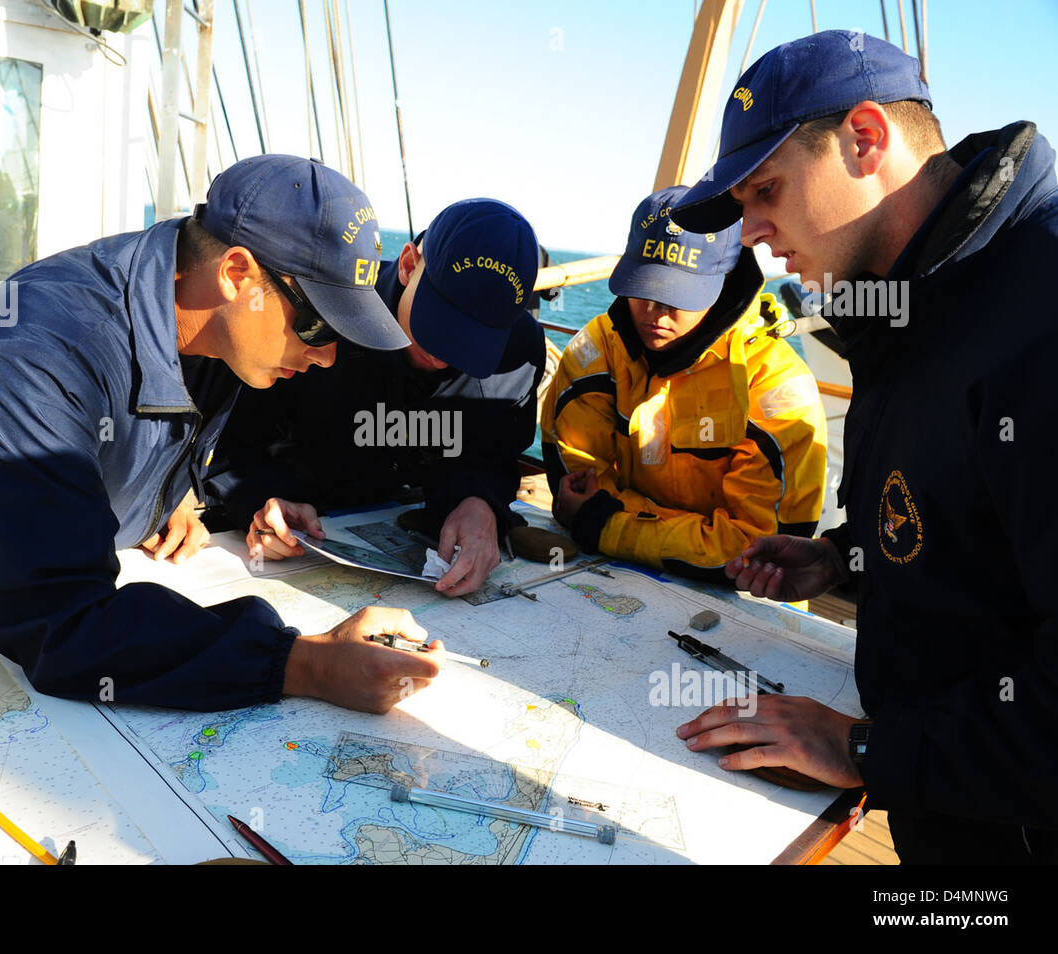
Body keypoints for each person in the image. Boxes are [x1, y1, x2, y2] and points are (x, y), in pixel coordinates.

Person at [0, 155, 444, 714]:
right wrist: (306, 663)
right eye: (316, 324)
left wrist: (169, 495)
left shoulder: (206, 317)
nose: (329, 357)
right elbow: (59, 623)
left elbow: (148, 430)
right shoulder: (33, 357)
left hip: (69, 572)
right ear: (237, 273)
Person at [669, 30, 1058, 863]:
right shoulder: (910, 295)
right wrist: (847, 558)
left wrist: (860, 751)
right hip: (944, 805)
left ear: (866, 138)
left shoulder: (1042, 315)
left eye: (765, 190)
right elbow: (967, 522)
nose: (753, 233)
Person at [201, 198, 543, 597]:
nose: (445, 352)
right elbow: (231, 446)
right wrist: (262, 502)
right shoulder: (321, 313)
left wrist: (481, 503)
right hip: (293, 543)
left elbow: (493, 455)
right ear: (408, 264)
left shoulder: (518, 352)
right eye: (441, 321)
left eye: (473, 341)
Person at [542, 185, 826, 581]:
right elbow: (575, 479)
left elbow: (760, 550)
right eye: (644, 287)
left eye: (679, 293)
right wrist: (695, 531)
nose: (655, 311)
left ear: (726, 282)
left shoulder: (775, 386)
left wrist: (608, 524)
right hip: (607, 571)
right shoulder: (596, 351)